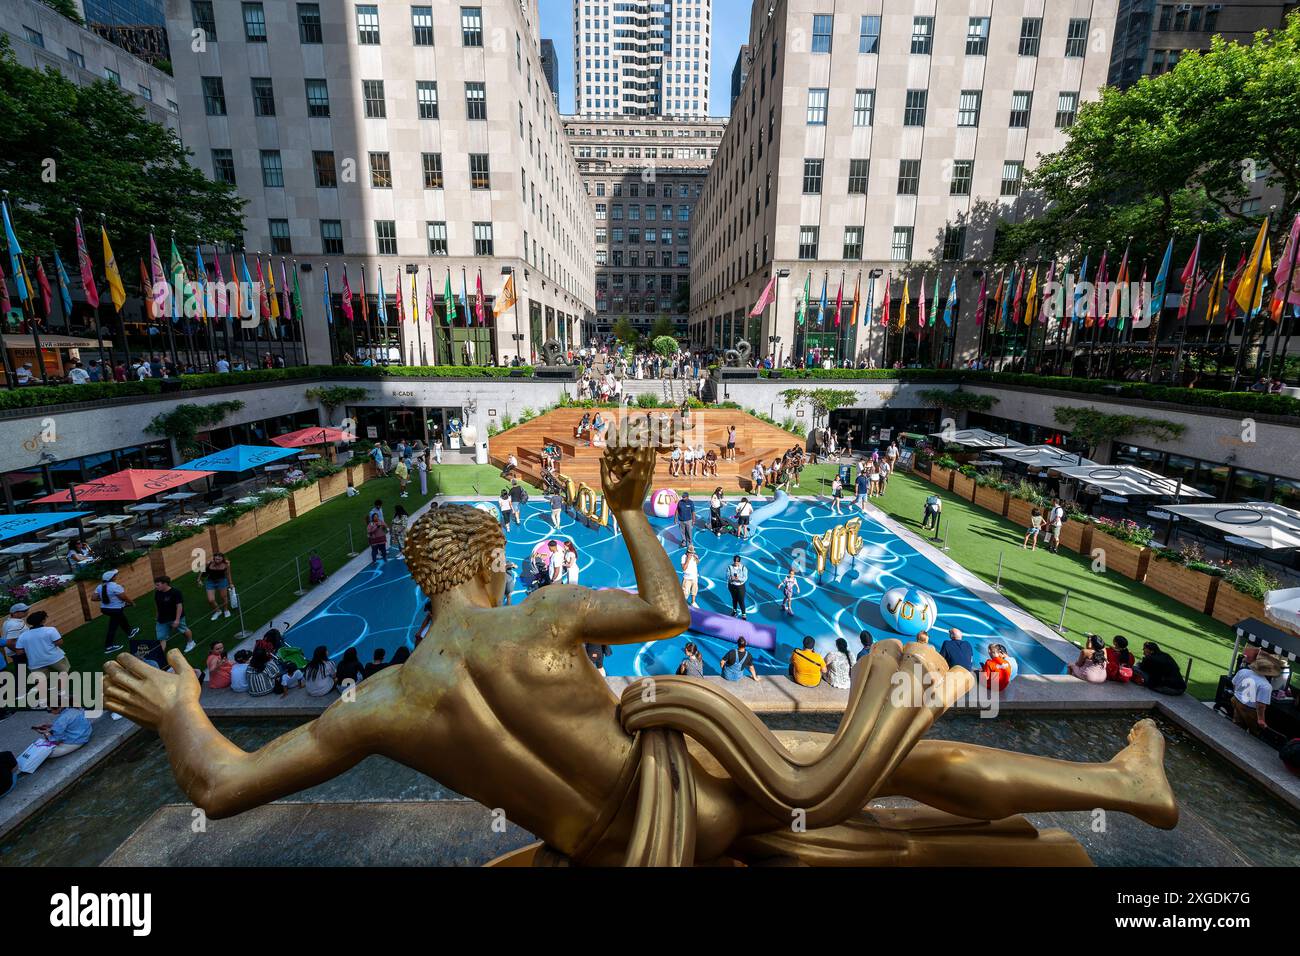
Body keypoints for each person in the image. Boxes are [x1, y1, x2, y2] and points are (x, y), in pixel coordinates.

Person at [103, 442, 1181, 867]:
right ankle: (1118, 785)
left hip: (612, 848)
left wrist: (177, 706)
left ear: (426, 576)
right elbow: (671, 605)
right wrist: (625, 508)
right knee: (898, 769)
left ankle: (1085, 810)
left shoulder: (378, 699)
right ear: (491, 558)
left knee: (876, 802)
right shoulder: (544, 610)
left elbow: (222, 781)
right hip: (692, 792)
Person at [1231, 652, 1281, 734]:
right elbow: (1261, 705)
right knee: (1254, 734)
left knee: (1237, 727)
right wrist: (1261, 719)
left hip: (1236, 700)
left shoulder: (1243, 671)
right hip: (1249, 710)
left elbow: (1234, 684)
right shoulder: (1266, 686)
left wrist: (1237, 695)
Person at [91, 569, 139, 654]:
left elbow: (93, 598)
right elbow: (123, 597)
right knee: (113, 626)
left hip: (105, 609)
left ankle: (130, 632)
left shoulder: (99, 587)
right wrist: (132, 602)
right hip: (115, 609)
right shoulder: (115, 586)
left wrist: (105, 598)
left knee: (121, 618)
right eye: (115, 575)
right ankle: (108, 646)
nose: (116, 576)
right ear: (112, 578)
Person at [12, 611, 68, 675]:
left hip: (35, 663)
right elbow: (59, 643)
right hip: (54, 658)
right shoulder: (51, 630)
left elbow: (19, 652)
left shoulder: (22, 635)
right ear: (43, 620)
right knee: (63, 673)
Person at [203, 551, 234, 621]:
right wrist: (198, 579)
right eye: (216, 559)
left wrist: (230, 583)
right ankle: (218, 611)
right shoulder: (210, 563)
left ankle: (226, 610)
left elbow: (228, 574)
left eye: (219, 559)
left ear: (222, 559)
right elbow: (203, 571)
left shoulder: (226, 564)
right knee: (211, 600)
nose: (217, 560)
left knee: (224, 597)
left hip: (221, 581)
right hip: (210, 582)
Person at [726, 555, 748, 619]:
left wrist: (738, 579)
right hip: (732, 586)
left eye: (737, 561)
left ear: (739, 561)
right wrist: (731, 578)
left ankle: (743, 614)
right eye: (735, 561)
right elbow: (727, 576)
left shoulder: (743, 568)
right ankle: (734, 611)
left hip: (740, 587)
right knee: (734, 599)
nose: (736, 563)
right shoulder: (729, 567)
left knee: (741, 600)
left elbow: (745, 578)